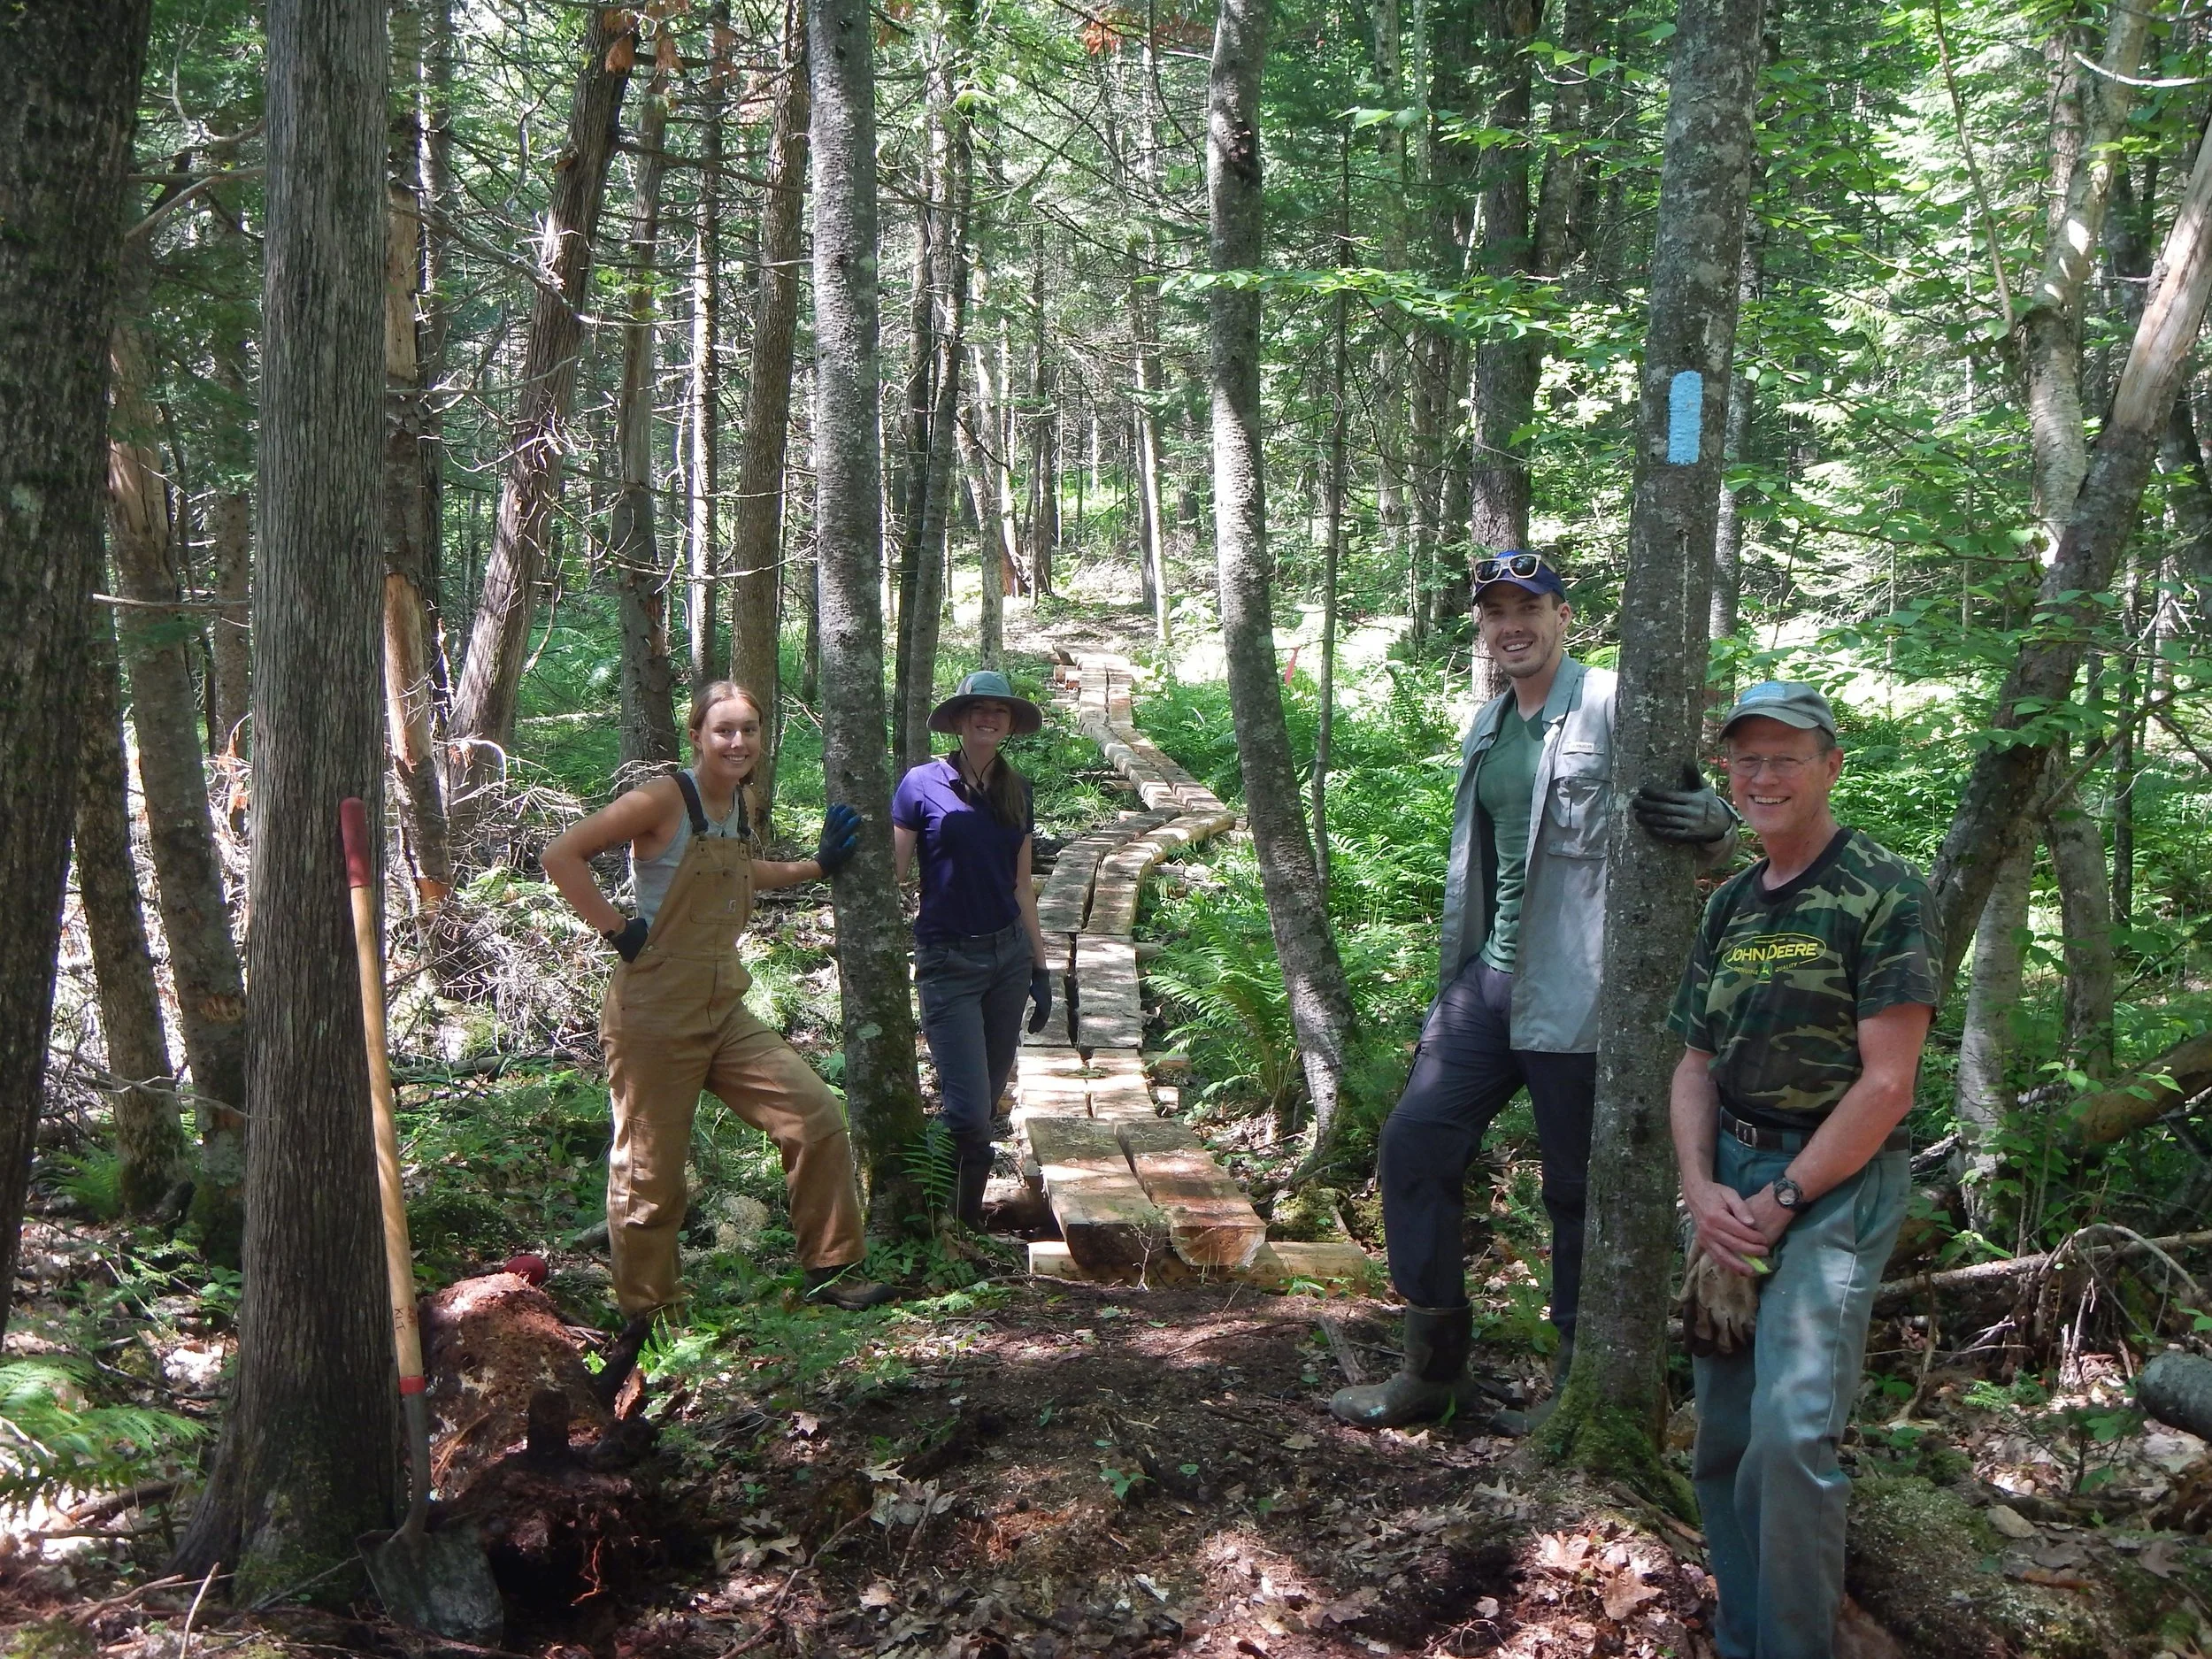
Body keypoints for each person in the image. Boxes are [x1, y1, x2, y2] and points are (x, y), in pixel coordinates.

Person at [1332, 552, 1737, 1432]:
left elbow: (1705, 827)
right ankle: (1432, 1369)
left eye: (1528, 608)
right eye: (1494, 613)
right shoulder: (1488, 725)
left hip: (1586, 986)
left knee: (1575, 1189)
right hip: (1492, 977)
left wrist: (1714, 825)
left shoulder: (1614, 701)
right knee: (1414, 1144)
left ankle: (1573, 1395)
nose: (1509, 625)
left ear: (1562, 615)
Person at [1670, 680, 1939, 1659]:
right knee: (1725, 1435)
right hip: (1730, 1180)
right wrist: (1702, 1192)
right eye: (1746, 758)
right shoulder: (1734, 902)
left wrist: (1782, 1201)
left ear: (1829, 765)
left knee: (1792, 1437)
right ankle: (1744, 1634)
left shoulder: (1882, 890)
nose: (1763, 775)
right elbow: (1693, 1062)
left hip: (1832, 1185)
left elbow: (1888, 1084)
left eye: (1785, 757)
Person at [541, 680, 895, 1324]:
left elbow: (740, 872)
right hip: (653, 1014)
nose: (737, 741)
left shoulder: (736, 802)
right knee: (650, 1173)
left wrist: (815, 866)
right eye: (724, 729)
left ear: (763, 738)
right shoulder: (660, 799)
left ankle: (831, 1268)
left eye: (749, 730)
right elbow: (561, 854)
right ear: (697, 735)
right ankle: (649, 1316)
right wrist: (618, 930)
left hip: (723, 1009)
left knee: (814, 1116)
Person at [893, 671, 1056, 1229]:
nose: (989, 718)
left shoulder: (1018, 788)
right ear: (959, 721)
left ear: (1009, 724)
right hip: (948, 960)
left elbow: (1022, 886)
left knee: (984, 1106)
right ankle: (915, 1207)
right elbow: (893, 872)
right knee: (964, 1110)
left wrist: (1040, 968)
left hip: (1008, 958)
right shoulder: (921, 783)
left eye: (1000, 712)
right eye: (978, 710)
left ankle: (963, 1227)